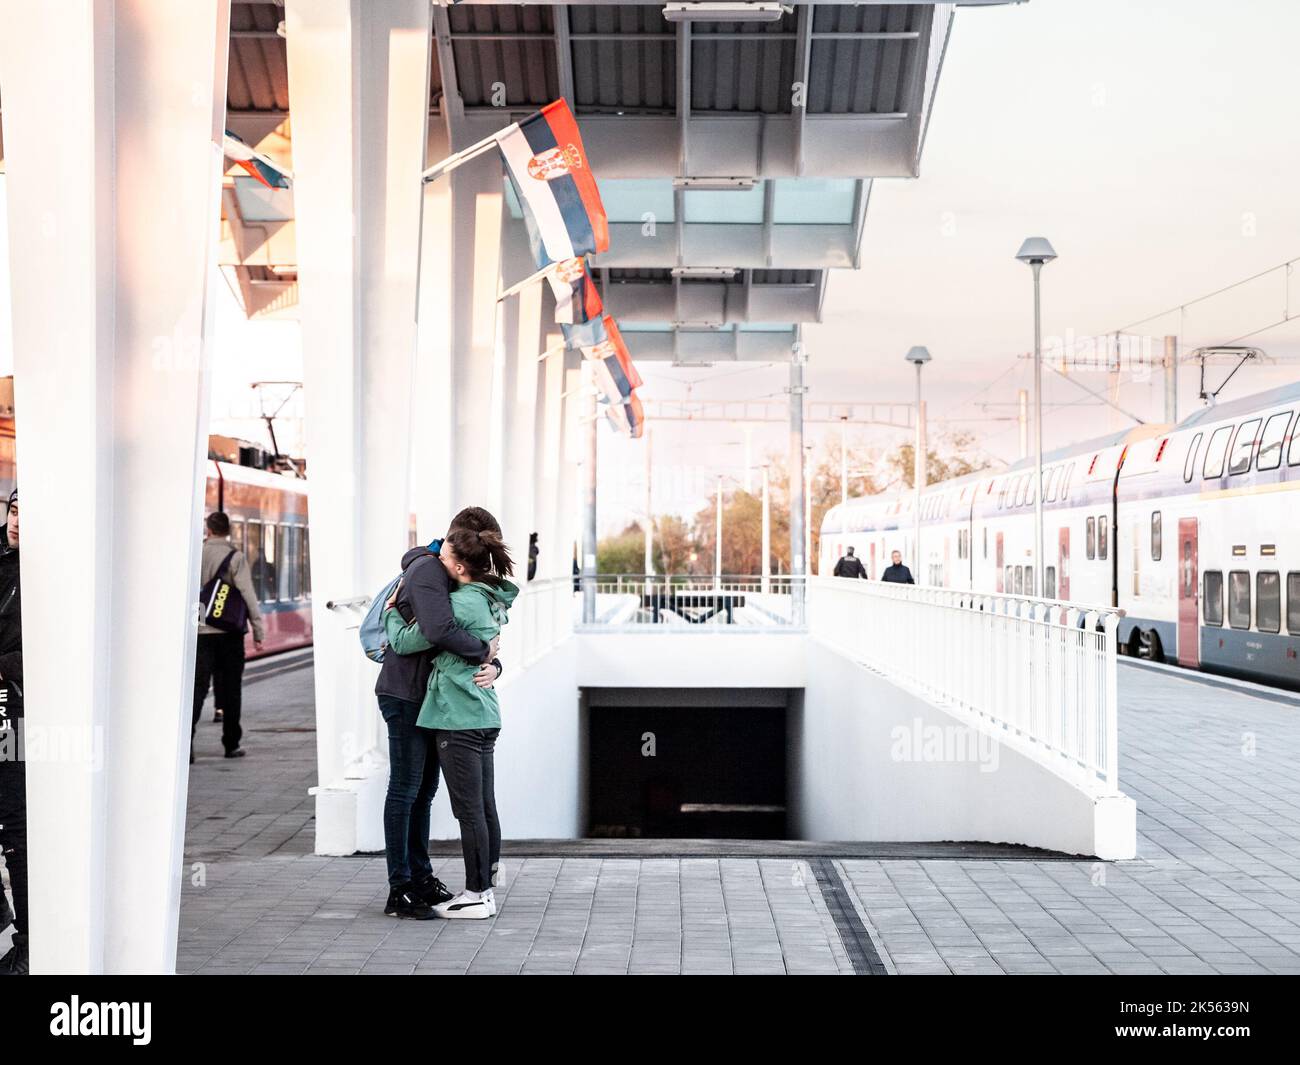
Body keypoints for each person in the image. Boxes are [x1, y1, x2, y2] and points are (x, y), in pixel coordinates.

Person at [375, 507, 503, 920]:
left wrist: (494, 664)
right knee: (406, 789)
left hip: (429, 699)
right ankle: (401, 887)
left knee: (424, 792)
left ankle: (421, 876)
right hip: (406, 694)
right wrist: (483, 652)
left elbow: (469, 629)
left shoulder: (451, 575)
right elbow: (438, 631)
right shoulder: (430, 570)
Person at [192, 512, 264, 762]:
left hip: (202, 632)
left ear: (209, 530)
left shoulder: (194, 553)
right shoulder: (236, 557)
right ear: (226, 531)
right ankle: (231, 744)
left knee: (197, 688)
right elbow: (248, 595)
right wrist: (258, 631)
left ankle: (186, 746)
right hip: (230, 634)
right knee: (231, 690)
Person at [0, 489, 27, 974]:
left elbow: (67, 643)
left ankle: (29, 941)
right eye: (15, 509)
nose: (20, 521)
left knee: (16, 828)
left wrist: (4, 667)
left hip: (15, 715)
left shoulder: (54, 570)